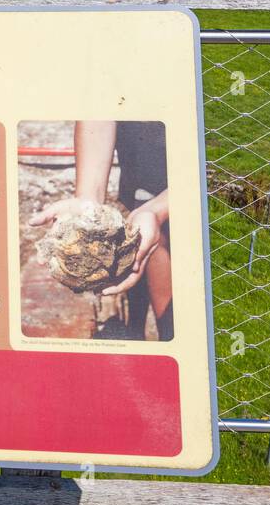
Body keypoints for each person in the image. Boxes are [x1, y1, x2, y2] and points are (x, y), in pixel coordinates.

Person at [29, 121, 172, 341]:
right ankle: (141, 332)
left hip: (202, 182)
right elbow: (100, 102)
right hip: (145, 170)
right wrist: (88, 196)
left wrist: (159, 208)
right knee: (147, 238)